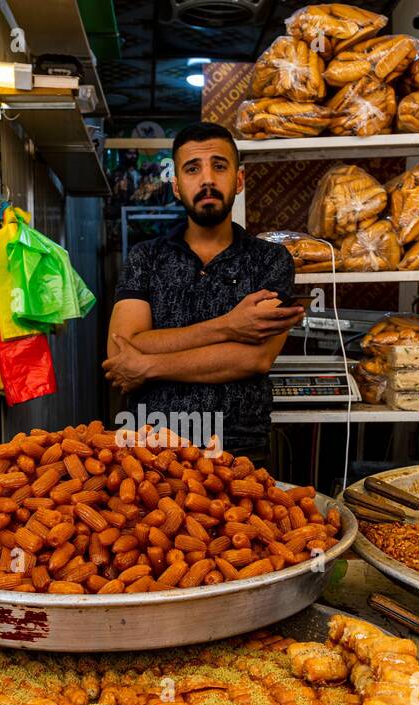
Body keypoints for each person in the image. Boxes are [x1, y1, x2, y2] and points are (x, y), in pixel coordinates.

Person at [103, 121, 305, 462]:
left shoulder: (270, 261)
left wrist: (147, 366)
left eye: (220, 166)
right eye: (193, 169)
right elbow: (122, 346)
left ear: (238, 180)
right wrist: (229, 326)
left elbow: (254, 358)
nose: (207, 179)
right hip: (150, 447)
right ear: (178, 186)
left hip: (238, 449)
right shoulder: (146, 257)